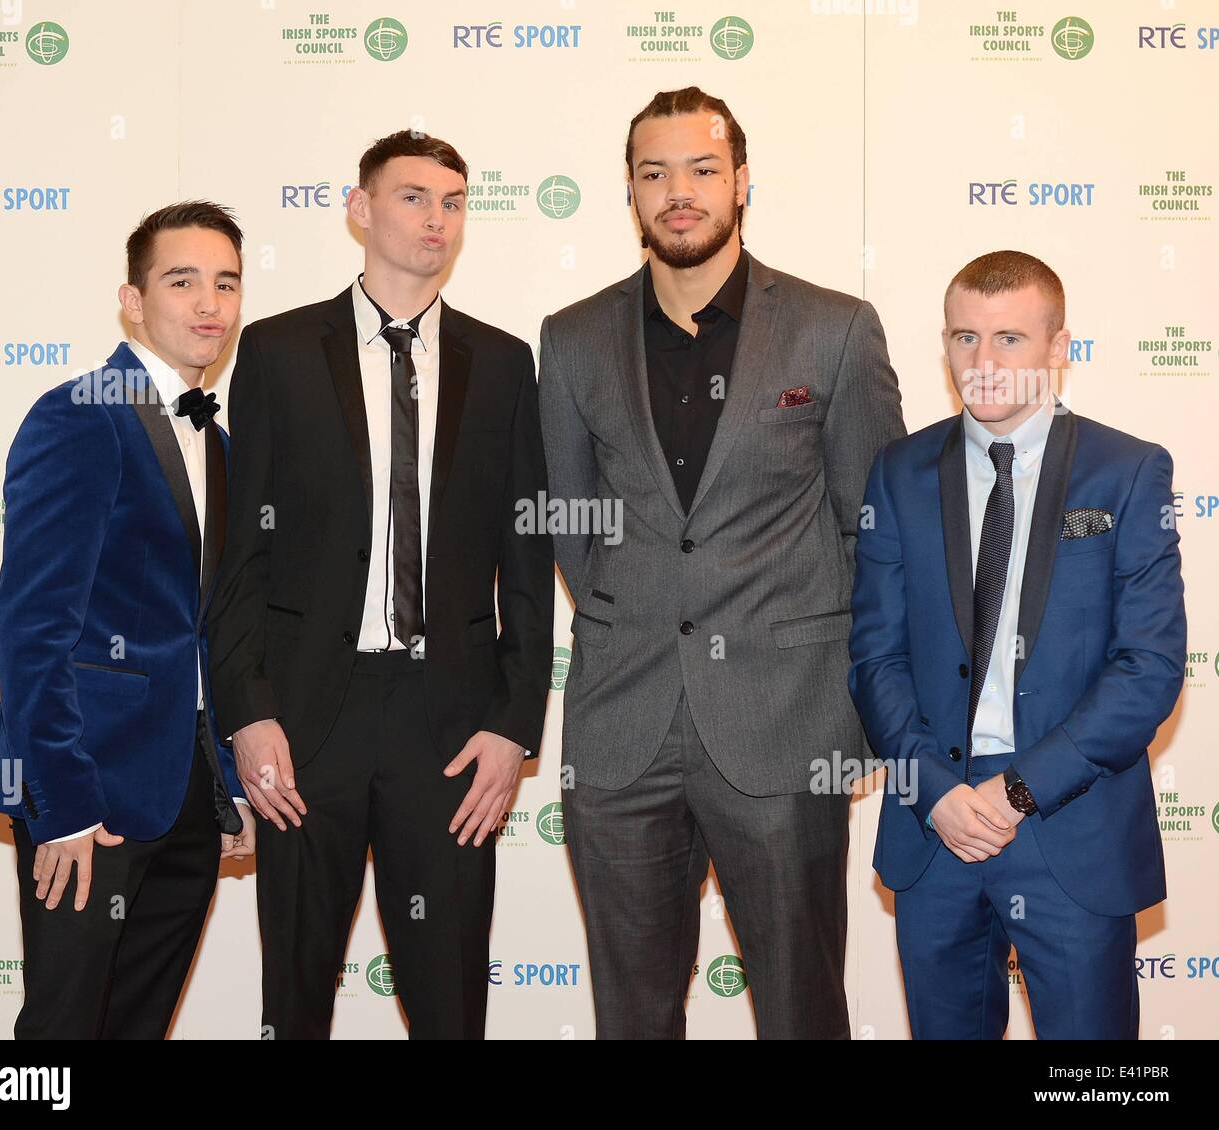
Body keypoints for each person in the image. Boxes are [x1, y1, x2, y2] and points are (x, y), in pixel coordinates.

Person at [537, 87, 905, 1039]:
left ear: (742, 182)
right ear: (630, 192)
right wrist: (631, 613)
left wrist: (844, 699)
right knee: (633, 1011)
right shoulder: (572, 339)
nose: (679, 192)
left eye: (702, 170)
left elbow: (876, 531)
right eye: (654, 174)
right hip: (624, 727)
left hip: (786, 728)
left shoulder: (834, 329)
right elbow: (574, 527)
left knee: (799, 1007)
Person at [208, 130, 554, 1040]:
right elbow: (239, 552)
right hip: (304, 721)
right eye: (411, 197)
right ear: (359, 209)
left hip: (449, 727)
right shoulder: (278, 352)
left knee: (448, 1001)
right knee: (295, 994)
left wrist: (514, 724)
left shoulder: (505, 363)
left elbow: (526, 565)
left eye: (451, 201)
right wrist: (246, 712)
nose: (434, 219)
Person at [848, 249, 1185, 1039]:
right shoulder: (898, 472)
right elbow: (874, 656)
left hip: (1070, 820)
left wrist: (1019, 790)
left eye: (1009, 339)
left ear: (1059, 347)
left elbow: (1150, 666)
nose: (983, 362)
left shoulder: (1126, 472)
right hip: (937, 828)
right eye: (965, 338)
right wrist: (935, 790)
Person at [0, 200, 254, 1039]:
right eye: (182, 280)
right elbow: (31, 629)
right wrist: (62, 806)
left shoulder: (221, 443)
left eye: (227, 283)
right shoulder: (81, 413)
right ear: (132, 300)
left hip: (188, 798)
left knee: (138, 1024)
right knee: (59, 1035)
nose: (210, 303)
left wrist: (226, 784)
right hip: (86, 793)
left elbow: (203, 632)